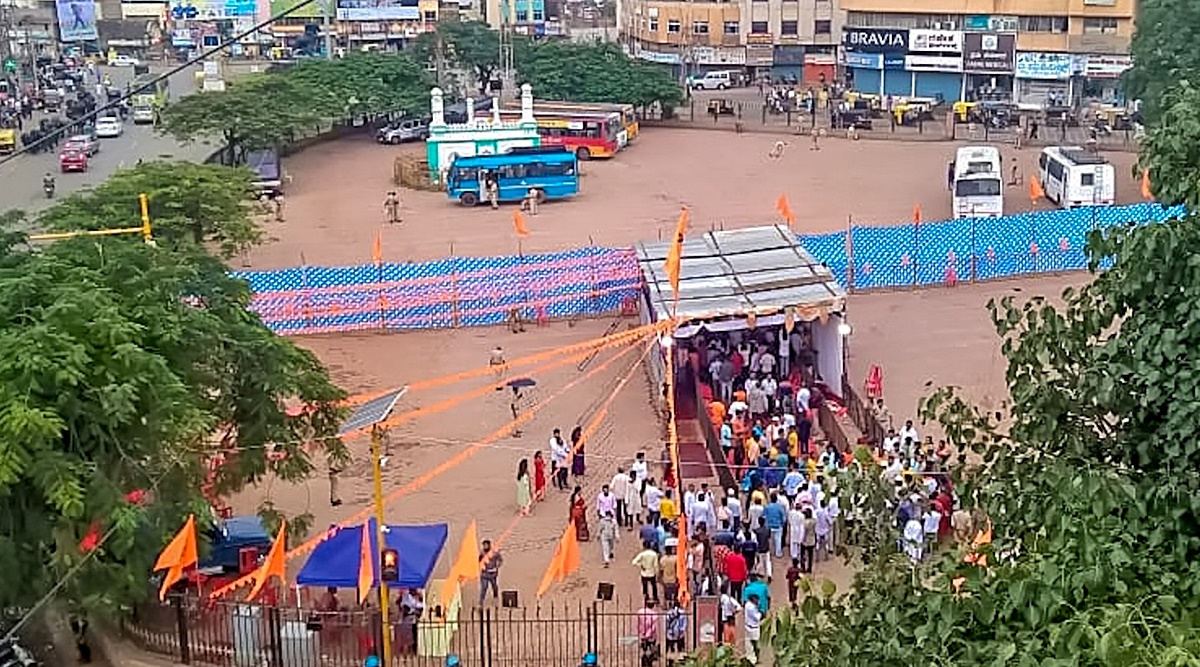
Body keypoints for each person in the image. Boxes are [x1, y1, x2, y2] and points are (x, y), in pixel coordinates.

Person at [636, 599, 660, 667]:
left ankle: (644, 663)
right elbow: (653, 627)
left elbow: (638, 623)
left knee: (644, 649)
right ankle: (649, 663)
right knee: (651, 650)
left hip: (642, 634)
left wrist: (640, 632)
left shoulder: (640, 612)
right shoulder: (654, 614)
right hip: (651, 635)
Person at [478, 539, 502, 604]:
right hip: (484, 574)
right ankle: (481, 601)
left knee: (494, 586)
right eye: (484, 545)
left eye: (486, 545)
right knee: (484, 587)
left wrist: (497, 566)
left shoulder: (495, 553)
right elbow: (478, 562)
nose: (485, 547)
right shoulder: (481, 554)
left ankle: (495, 596)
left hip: (493, 574)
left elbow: (500, 560)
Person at [744, 593, 763, 662]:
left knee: (748, 644)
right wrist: (760, 611)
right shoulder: (752, 608)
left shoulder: (747, 605)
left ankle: (750, 658)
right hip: (754, 628)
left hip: (747, 626)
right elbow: (757, 617)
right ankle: (756, 658)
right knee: (756, 644)